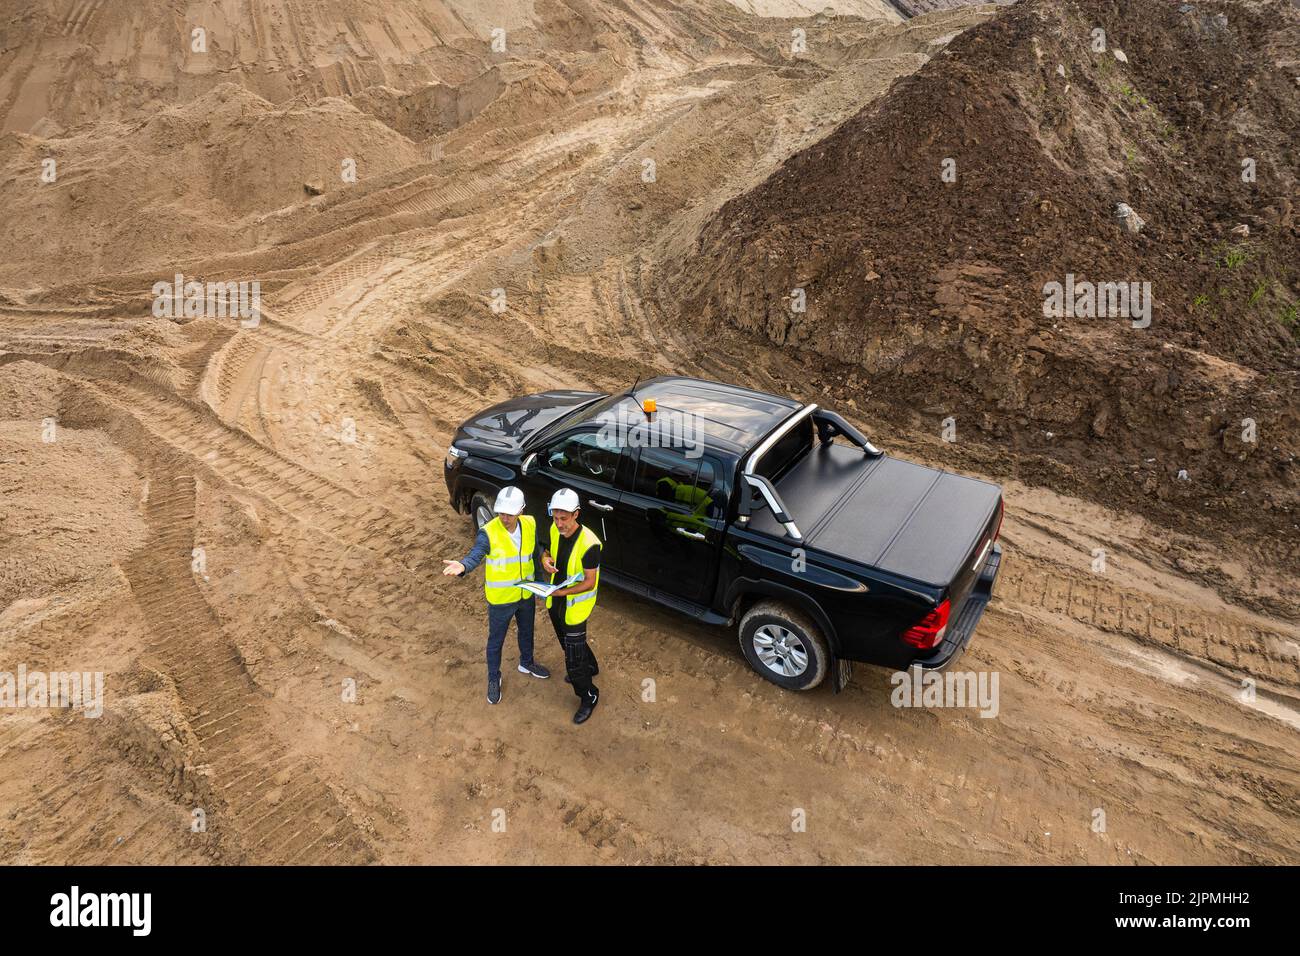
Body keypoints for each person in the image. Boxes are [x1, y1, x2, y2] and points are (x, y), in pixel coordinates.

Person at [443, 486, 550, 704]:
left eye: (510, 514)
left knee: (527, 631)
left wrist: (540, 581)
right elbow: (477, 553)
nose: (505, 518)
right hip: (501, 599)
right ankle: (494, 678)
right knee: (496, 641)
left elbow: (534, 550)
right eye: (501, 513)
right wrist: (464, 565)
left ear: (521, 510)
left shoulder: (530, 524)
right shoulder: (489, 532)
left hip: (526, 593)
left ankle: (526, 662)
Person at [540, 488, 602, 724]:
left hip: (575, 605)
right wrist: (545, 560)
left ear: (576, 514)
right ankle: (592, 666)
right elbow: (547, 550)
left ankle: (589, 696)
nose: (559, 524)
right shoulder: (555, 530)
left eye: (563, 518)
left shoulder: (590, 544)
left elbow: (589, 581)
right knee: (569, 646)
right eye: (555, 518)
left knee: (573, 661)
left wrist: (562, 592)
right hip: (556, 601)